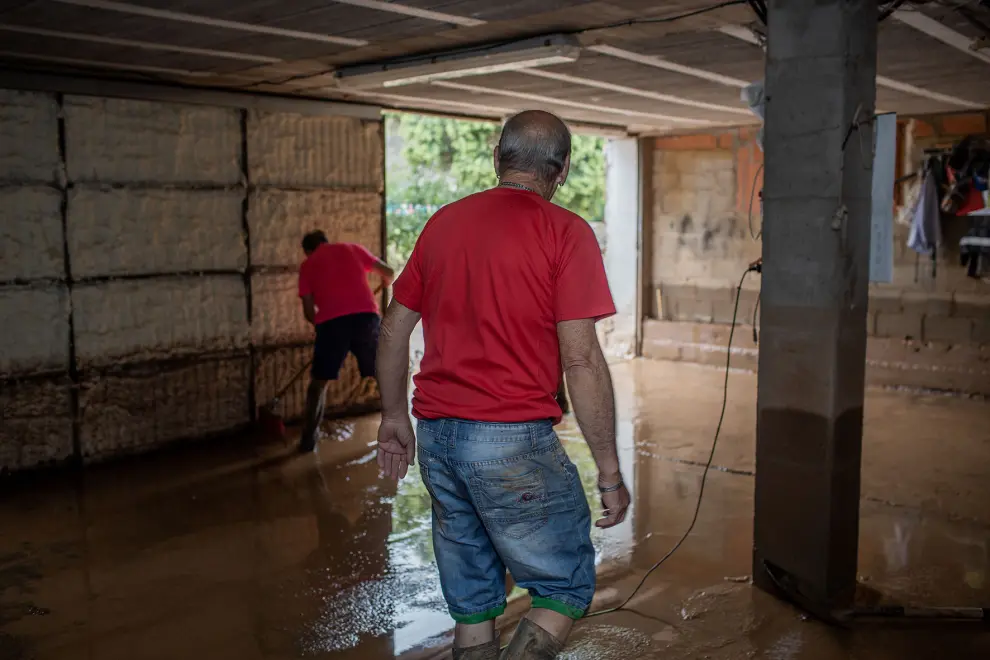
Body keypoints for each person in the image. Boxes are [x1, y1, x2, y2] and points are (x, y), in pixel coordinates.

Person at [375, 111, 630, 660]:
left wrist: (395, 417)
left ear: (498, 157)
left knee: (473, 601)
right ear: (560, 172)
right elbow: (580, 360)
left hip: (438, 438)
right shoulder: (565, 232)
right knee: (565, 588)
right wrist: (609, 472)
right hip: (510, 438)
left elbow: (394, 327)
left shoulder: (444, 223)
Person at [298, 231, 394, 453]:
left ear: (308, 250)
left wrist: (322, 326)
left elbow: (308, 310)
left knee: (318, 384)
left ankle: (308, 442)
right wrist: (385, 281)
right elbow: (389, 272)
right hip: (366, 319)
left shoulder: (308, 264)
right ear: (325, 242)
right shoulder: (353, 249)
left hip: (331, 324)